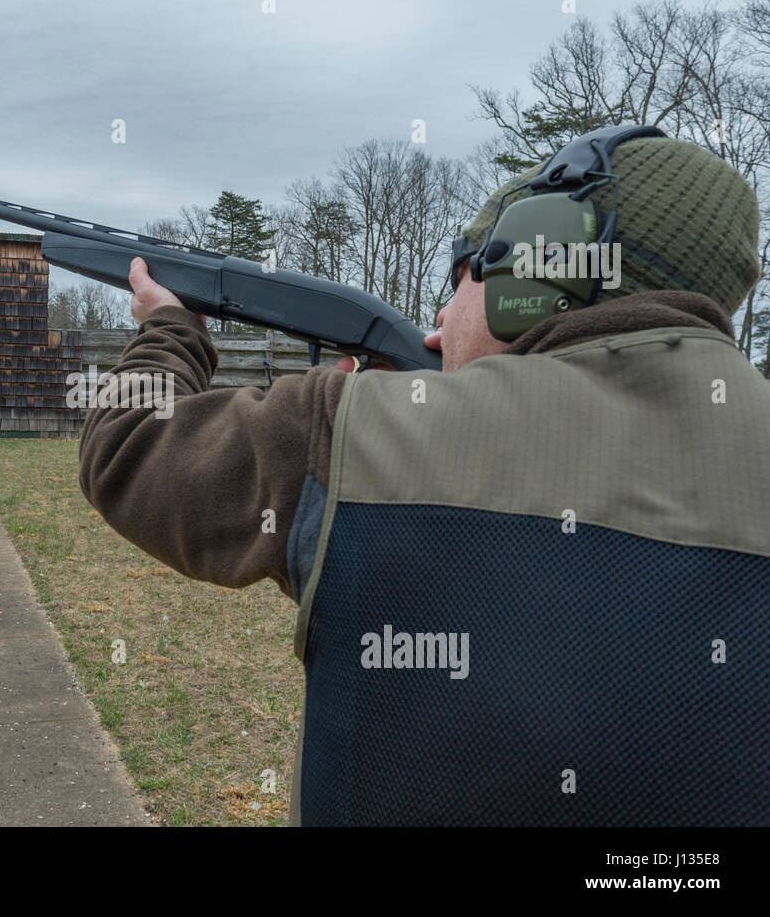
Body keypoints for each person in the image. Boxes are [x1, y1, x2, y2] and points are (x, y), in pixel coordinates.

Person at [78, 125, 770, 826]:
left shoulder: (352, 429)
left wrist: (168, 327)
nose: (439, 319)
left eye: (465, 270)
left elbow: (128, 446)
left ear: (531, 273)